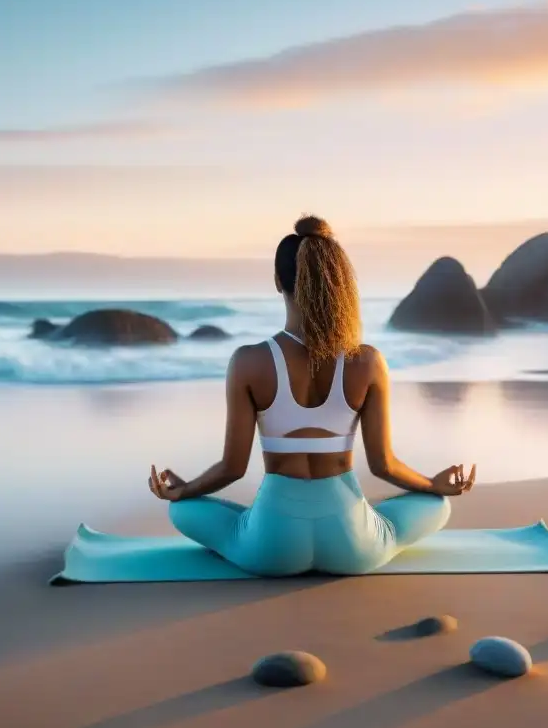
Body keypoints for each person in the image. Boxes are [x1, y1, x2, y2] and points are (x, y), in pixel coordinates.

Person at [147, 215, 474, 576]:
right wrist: (432, 484)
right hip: (353, 547)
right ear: (336, 282)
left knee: (182, 509)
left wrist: (186, 489)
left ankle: (257, 526)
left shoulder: (248, 362)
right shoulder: (367, 361)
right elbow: (383, 464)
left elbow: (232, 469)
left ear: (277, 281)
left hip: (271, 549)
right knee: (437, 505)